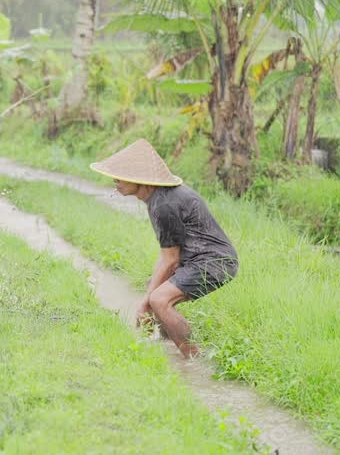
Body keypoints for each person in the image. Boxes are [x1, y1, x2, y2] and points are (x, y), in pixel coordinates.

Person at [90, 139, 238, 358]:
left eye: (120, 177)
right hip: (201, 259)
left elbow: (171, 260)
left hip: (214, 262)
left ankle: (193, 359)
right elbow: (167, 256)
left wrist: (145, 303)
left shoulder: (164, 205)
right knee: (155, 289)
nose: (115, 181)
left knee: (159, 299)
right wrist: (149, 293)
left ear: (140, 179)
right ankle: (166, 348)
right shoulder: (159, 198)